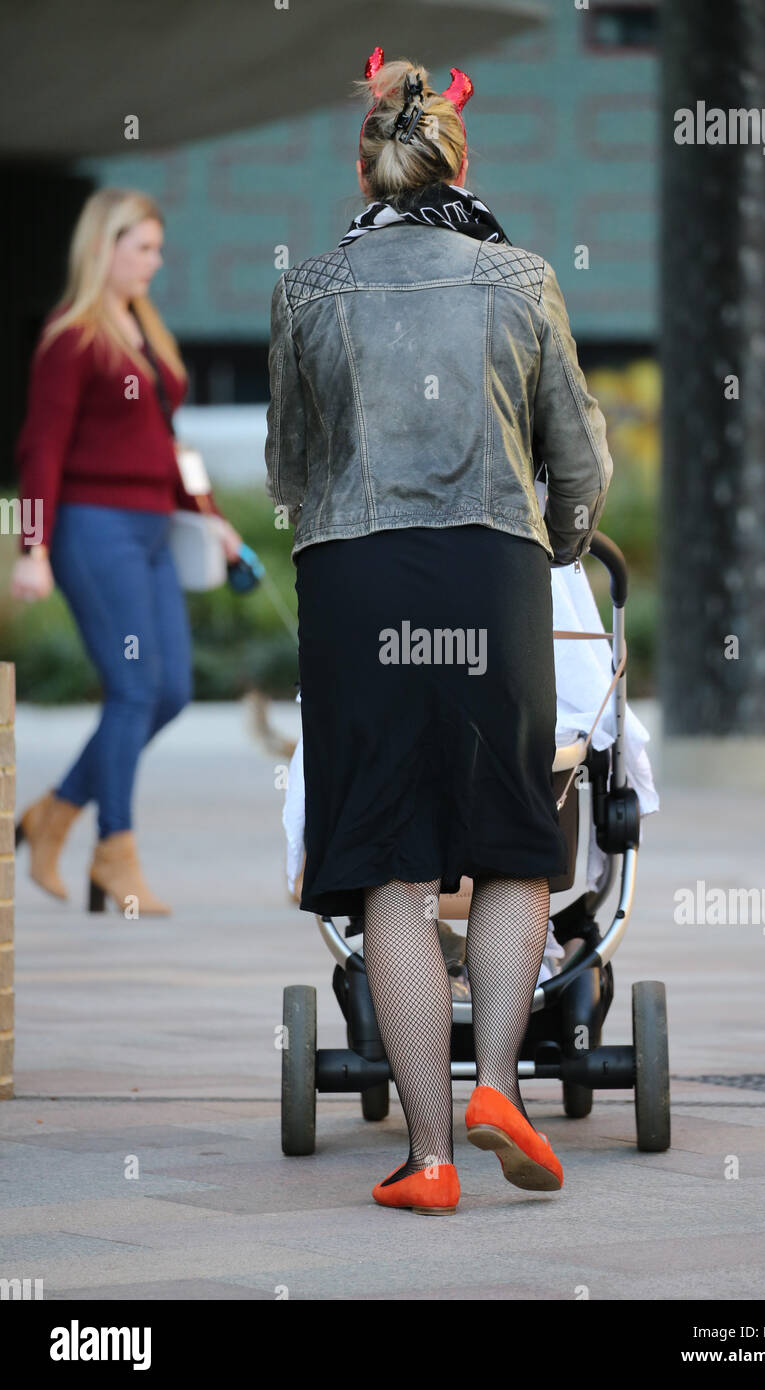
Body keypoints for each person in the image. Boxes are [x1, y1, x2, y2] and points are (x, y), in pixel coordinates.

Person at [265, 49, 613, 1215]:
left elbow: (289, 468)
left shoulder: (308, 290)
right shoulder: (518, 279)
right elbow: (579, 459)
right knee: (514, 839)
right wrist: (555, 547)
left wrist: (338, 533)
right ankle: (500, 1085)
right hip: (491, 567)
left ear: (361, 167)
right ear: (458, 160)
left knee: (387, 855)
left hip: (356, 581)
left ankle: (426, 1161)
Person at [12, 188, 242, 916]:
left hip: (151, 529)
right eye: (142, 247)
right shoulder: (71, 336)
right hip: (94, 528)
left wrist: (213, 518)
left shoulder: (142, 329)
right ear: (103, 249)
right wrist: (31, 545)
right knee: (135, 688)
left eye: (156, 247)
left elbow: (169, 443)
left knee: (169, 691)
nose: (155, 261)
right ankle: (115, 851)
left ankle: (53, 813)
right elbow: (38, 449)